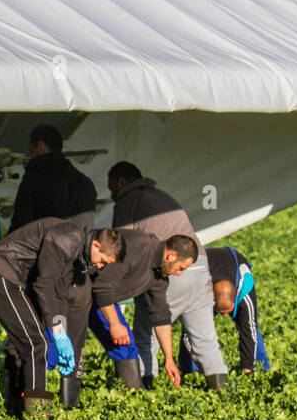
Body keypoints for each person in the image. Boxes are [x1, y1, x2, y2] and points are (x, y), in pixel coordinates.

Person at [108, 162, 228, 390]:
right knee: (205, 339)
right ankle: (221, 390)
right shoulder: (161, 195)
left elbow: (120, 245)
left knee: (146, 336)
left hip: (170, 267)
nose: (112, 193)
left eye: (111, 186)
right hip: (199, 264)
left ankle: (143, 388)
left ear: (121, 182)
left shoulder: (127, 200)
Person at [0, 218, 124, 415]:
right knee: (36, 344)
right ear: (96, 245)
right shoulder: (66, 239)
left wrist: (60, 327)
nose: (100, 267)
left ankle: (18, 408)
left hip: (18, 280)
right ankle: (36, 415)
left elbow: (59, 294)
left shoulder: (78, 253)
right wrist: (58, 332)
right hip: (4, 273)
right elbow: (44, 283)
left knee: (35, 343)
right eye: (102, 261)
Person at [87, 231, 197, 390]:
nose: (179, 274)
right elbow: (102, 287)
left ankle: (132, 397)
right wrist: (115, 325)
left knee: (125, 345)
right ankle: (46, 406)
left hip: (99, 300)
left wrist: (169, 359)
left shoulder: (159, 275)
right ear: (171, 256)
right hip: (80, 293)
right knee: (52, 349)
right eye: (181, 268)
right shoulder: (138, 248)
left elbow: (161, 316)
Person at [179, 245, 270, 375]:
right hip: (206, 265)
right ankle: (189, 371)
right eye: (220, 311)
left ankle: (260, 369)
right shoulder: (202, 292)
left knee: (250, 327)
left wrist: (247, 370)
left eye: (227, 311)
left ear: (236, 299)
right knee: (193, 328)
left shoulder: (245, 288)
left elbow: (249, 331)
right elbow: (189, 334)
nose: (223, 316)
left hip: (233, 262)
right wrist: (205, 365)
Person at [8, 124, 98, 232]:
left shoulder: (33, 181)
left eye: (31, 151)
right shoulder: (85, 182)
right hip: (79, 247)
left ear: (41, 147)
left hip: (46, 247)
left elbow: (21, 228)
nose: (30, 157)